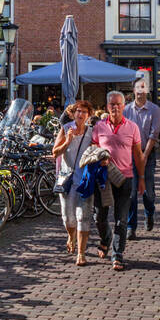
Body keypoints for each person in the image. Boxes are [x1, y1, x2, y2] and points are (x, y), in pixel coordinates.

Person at [91, 90, 143, 271]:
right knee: (99, 216)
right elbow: (93, 148)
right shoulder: (99, 127)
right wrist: (99, 156)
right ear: (107, 106)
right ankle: (105, 238)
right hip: (104, 177)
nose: (115, 107)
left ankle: (117, 254)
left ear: (123, 106)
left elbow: (138, 154)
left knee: (121, 219)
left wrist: (142, 178)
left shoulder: (132, 127)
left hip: (125, 178)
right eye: (112, 104)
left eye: (118, 104)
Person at [52, 100, 97, 266]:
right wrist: (67, 141)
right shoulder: (65, 129)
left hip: (85, 181)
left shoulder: (92, 132)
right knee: (68, 218)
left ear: (88, 115)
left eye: (84, 112)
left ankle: (81, 253)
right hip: (68, 180)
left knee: (83, 217)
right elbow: (55, 152)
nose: (81, 114)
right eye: (78, 111)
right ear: (73, 113)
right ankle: (70, 235)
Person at [124, 79, 160, 239]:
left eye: (143, 87)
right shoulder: (126, 110)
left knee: (148, 192)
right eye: (137, 87)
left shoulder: (154, 109)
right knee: (131, 193)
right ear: (133, 90)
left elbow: (155, 133)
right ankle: (131, 227)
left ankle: (149, 213)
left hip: (148, 153)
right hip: (130, 155)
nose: (140, 91)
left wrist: (145, 155)